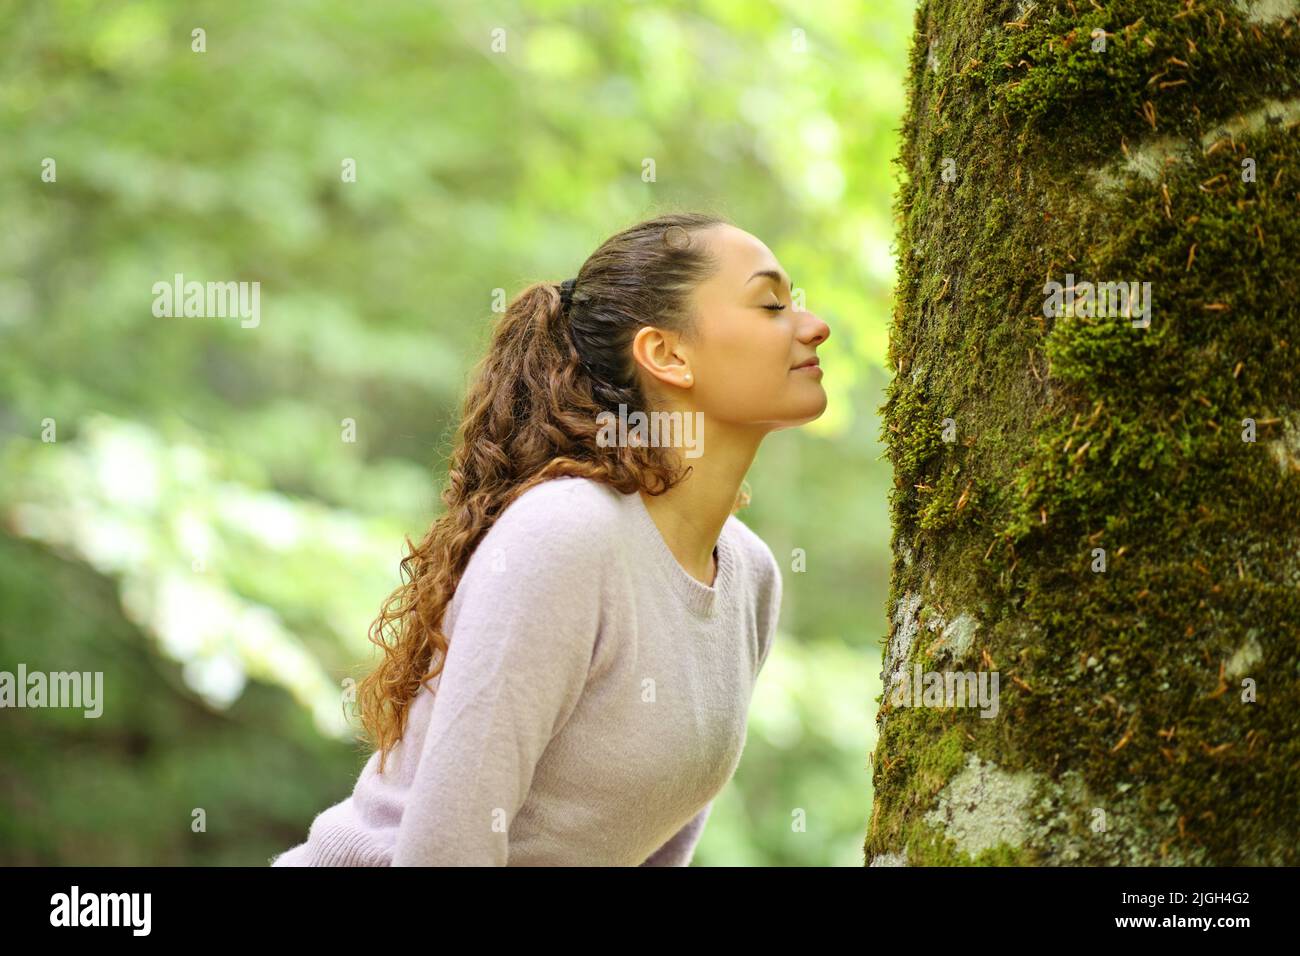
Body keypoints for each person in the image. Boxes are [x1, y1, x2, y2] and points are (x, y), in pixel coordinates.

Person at [271, 211, 830, 866]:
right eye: (771, 304)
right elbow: (443, 852)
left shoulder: (748, 574)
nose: (813, 325)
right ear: (668, 354)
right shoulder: (568, 535)